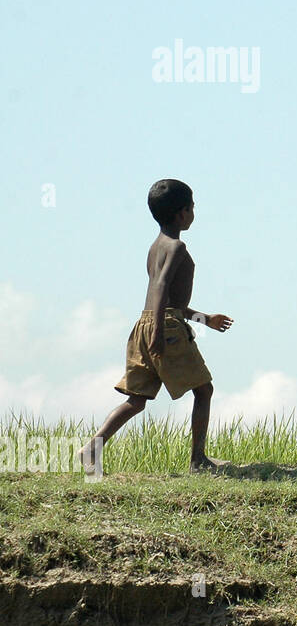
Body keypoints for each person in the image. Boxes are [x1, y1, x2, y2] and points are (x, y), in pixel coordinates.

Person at [79, 180, 234, 475]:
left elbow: (165, 300)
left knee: (137, 400)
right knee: (204, 390)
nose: (194, 212)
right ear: (181, 213)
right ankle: (198, 461)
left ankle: (92, 448)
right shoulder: (176, 247)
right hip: (165, 329)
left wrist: (205, 320)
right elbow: (162, 288)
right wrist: (159, 336)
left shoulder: (154, 248)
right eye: (192, 207)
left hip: (145, 323)